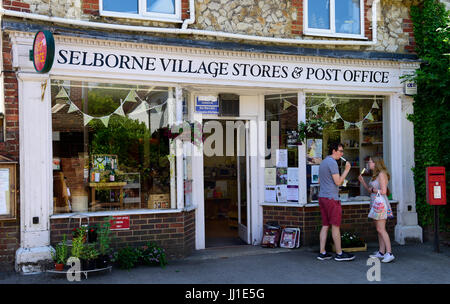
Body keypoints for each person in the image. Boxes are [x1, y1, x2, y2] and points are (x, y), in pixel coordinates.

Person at [317, 142, 355, 261]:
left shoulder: (323, 162)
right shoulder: (332, 162)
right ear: (334, 151)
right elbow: (338, 182)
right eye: (340, 151)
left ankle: (322, 252)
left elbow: (319, 181)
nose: (342, 153)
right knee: (335, 226)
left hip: (322, 197)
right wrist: (347, 170)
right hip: (331, 198)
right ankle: (339, 253)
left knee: (325, 225)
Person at [358, 156, 395, 263]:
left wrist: (373, 189)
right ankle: (381, 252)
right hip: (375, 204)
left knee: (381, 229)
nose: (368, 164)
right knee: (379, 229)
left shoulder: (382, 174)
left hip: (381, 205)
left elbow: (383, 191)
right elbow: (370, 190)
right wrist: (363, 182)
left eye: (370, 162)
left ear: (376, 163)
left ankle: (389, 253)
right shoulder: (375, 175)